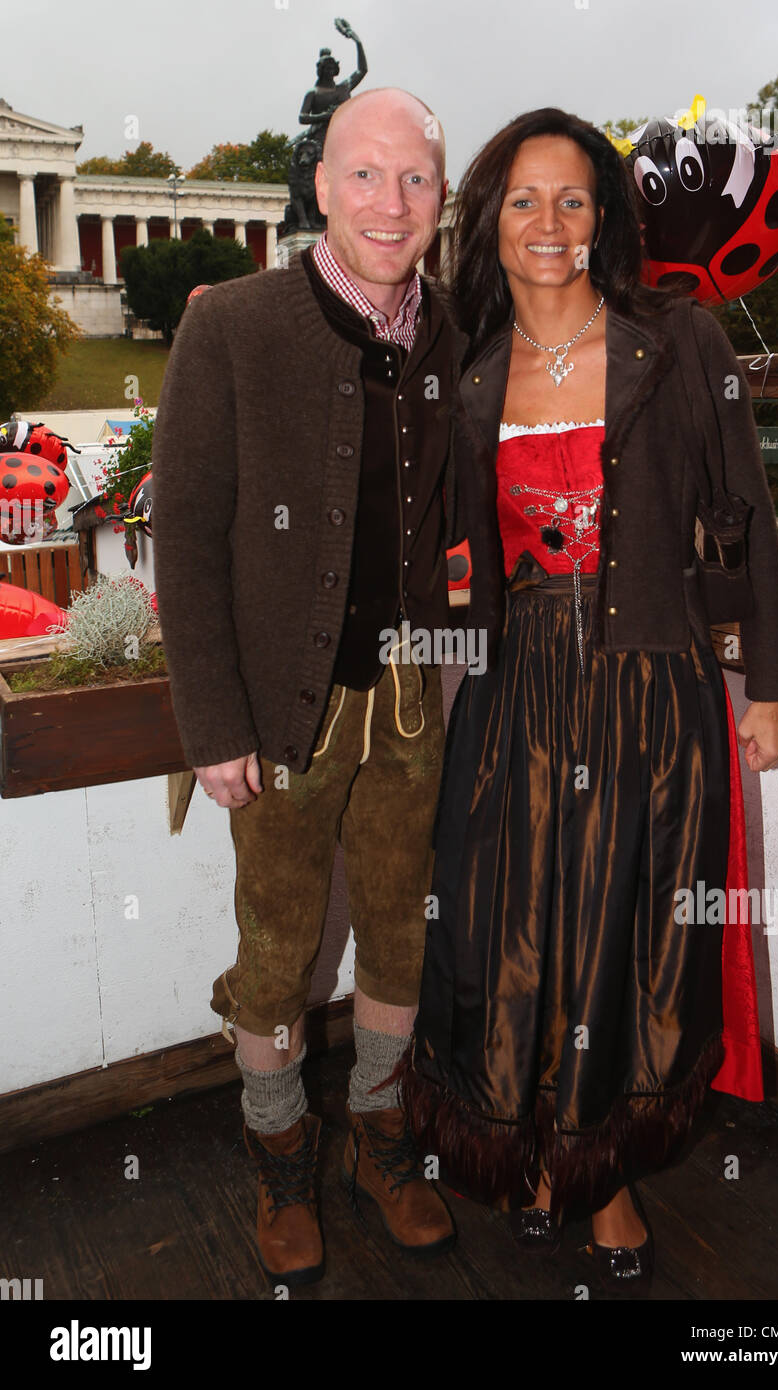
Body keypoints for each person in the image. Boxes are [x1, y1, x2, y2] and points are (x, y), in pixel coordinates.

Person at [396, 107, 778, 1295]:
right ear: (490, 220)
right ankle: (527, 1153)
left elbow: (746, 517)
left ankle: (603, 1171)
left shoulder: (677, 343)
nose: (547, 224)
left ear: (607, 218)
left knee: (627, 926)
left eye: (572, 199)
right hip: (514, 687)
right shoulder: (464, 365)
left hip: (649, 683)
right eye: (522, 200)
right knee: (507, 929)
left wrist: (767, 683)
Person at [151, 87, 499, 1287]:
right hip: (281, 716)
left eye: (413, 180)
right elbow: (183, 536)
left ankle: (382, 1142)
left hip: (417, 704)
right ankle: (278, 1153)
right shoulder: (233, 326)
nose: (388, 204)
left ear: (439, 197)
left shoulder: (458, 335)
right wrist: (211, 722)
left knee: (403, 932)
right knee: (278, 947)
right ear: (318, 185)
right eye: (363, 175)